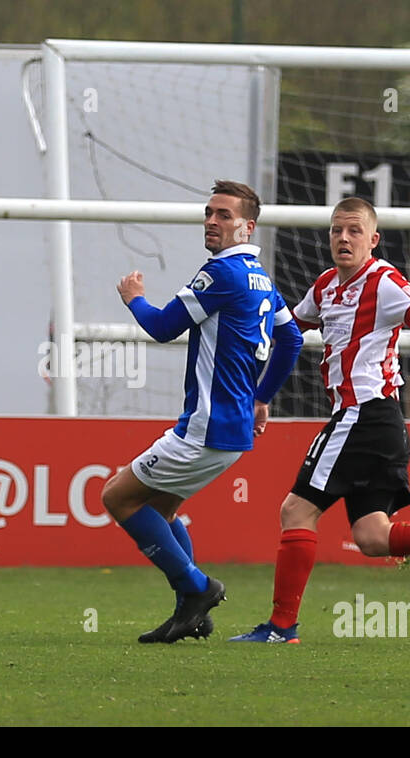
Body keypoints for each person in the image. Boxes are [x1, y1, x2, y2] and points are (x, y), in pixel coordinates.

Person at [229, 196, 410, 644]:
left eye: (354, 230)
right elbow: (289, 331)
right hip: (377, 421)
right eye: (337, 230)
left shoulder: (384, 281)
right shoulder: (324, 287)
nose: (343, 238)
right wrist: (258, 372)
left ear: (373, 240)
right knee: (373, 535)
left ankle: (281, 627)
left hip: (366, 413)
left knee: (296, 509)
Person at [101, 179, 303, 644]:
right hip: (230, 430)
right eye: (209, 213)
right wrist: (261, 396)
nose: (213, 221)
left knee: (116, 496)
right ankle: (191, 613)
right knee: (162, 511)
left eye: (224, 215)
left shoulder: (221, 275)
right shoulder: (261, 279)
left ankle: (197, 588)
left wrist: (133, 296)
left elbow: (163, 326)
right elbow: (291, 338)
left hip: (205, 428)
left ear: (247, 227)